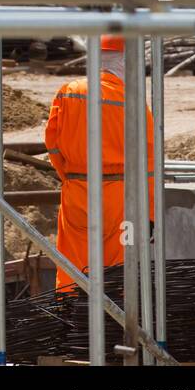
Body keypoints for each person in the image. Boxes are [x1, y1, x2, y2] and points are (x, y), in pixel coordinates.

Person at [44, 33, 154, 291]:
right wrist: (149, 214)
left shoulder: (69, 92)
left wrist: (70, 178)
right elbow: (148, 162)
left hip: (78, 192)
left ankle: (73, 323)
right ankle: (112, 324)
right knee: (116, 269)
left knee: (73, 265)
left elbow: (52, 143)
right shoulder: (134, 100)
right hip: (120, 196)